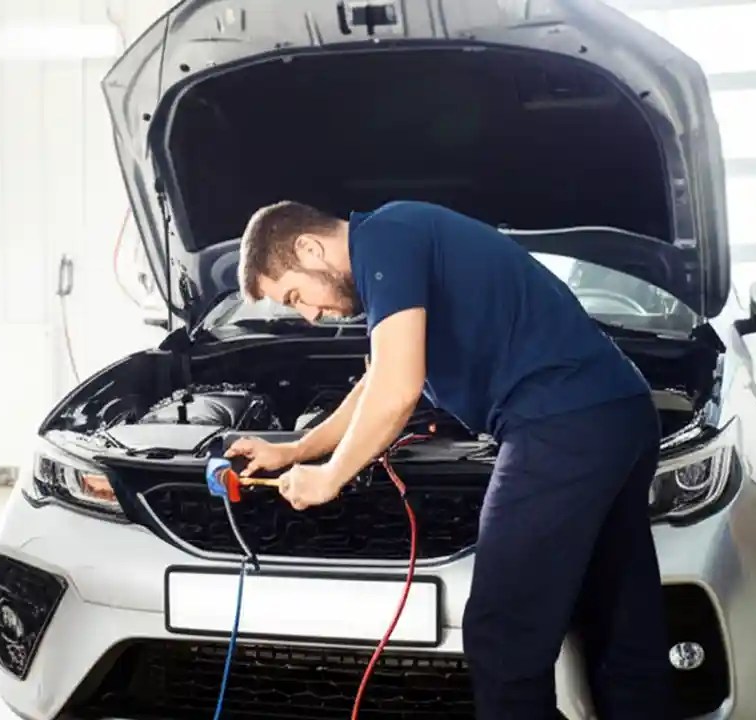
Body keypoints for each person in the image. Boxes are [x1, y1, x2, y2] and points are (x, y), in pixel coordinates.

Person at [224, 199, 671, 718]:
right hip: (617, 411)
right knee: (618, 620)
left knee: (503, 635)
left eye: (297, 295)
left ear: (309, 246)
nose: (309, 315)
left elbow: (397, 390)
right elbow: (374, 383)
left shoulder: (385, 239)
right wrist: (297, 449)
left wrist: (330, 477)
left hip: (560, 423)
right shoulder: (398, 246)